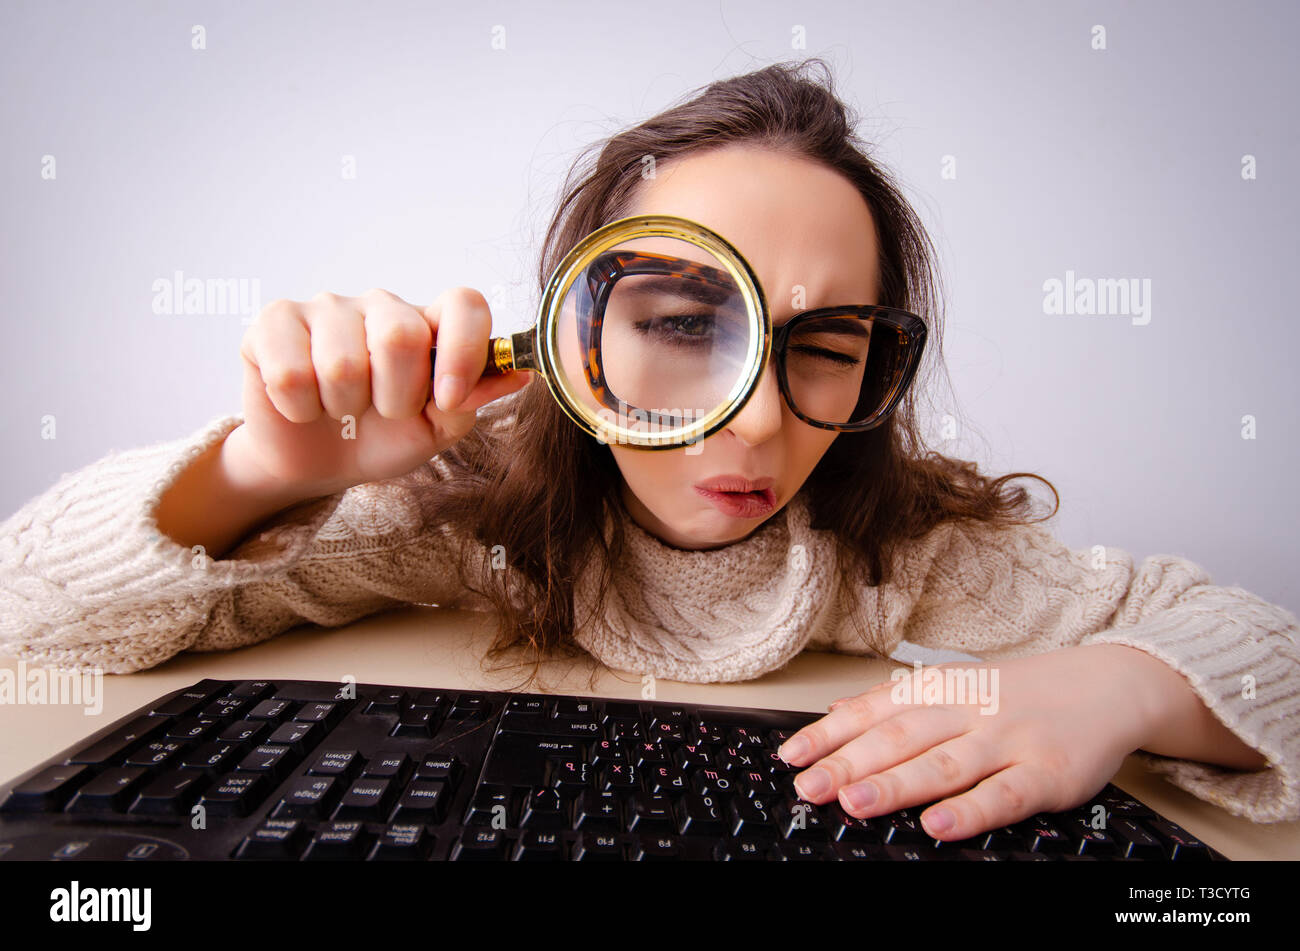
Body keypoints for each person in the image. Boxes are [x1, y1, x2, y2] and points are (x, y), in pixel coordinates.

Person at [1, 60, 1296, 844]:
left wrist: (1127, 686)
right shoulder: (461, 511)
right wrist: (270, 472)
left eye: (831, 343)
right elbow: (26, 629)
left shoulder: (892, 549)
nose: (758, 422)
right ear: (572, 335)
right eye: (685, 323)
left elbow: (1267, 654)